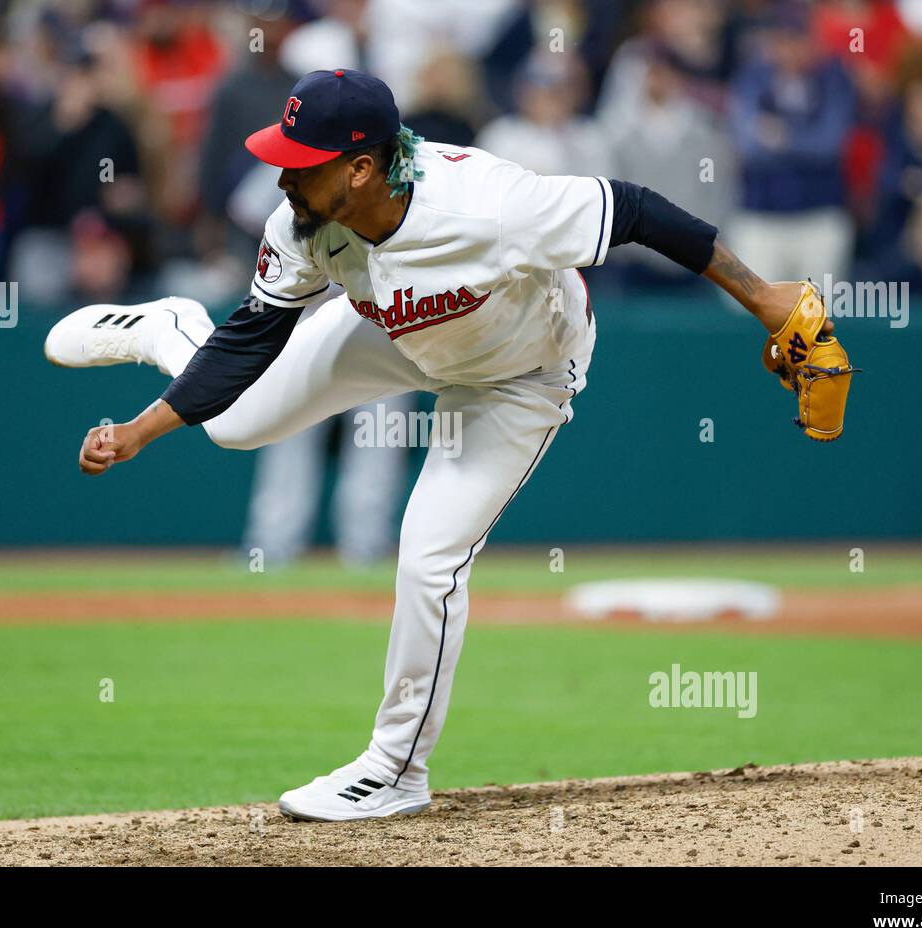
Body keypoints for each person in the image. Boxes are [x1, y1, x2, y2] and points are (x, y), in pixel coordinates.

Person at [43, 69, 847, 822]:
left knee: (428, 554)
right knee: (231, 424)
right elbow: (249, 342)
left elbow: (635, 208)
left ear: (360, 168)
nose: (283, 177)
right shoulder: (304, 223)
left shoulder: (490, 204)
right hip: (395, 334)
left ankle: (395, 771)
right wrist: (142, 430)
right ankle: (168, 324)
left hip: (520, 376)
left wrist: (769, 302)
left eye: (302, 163)